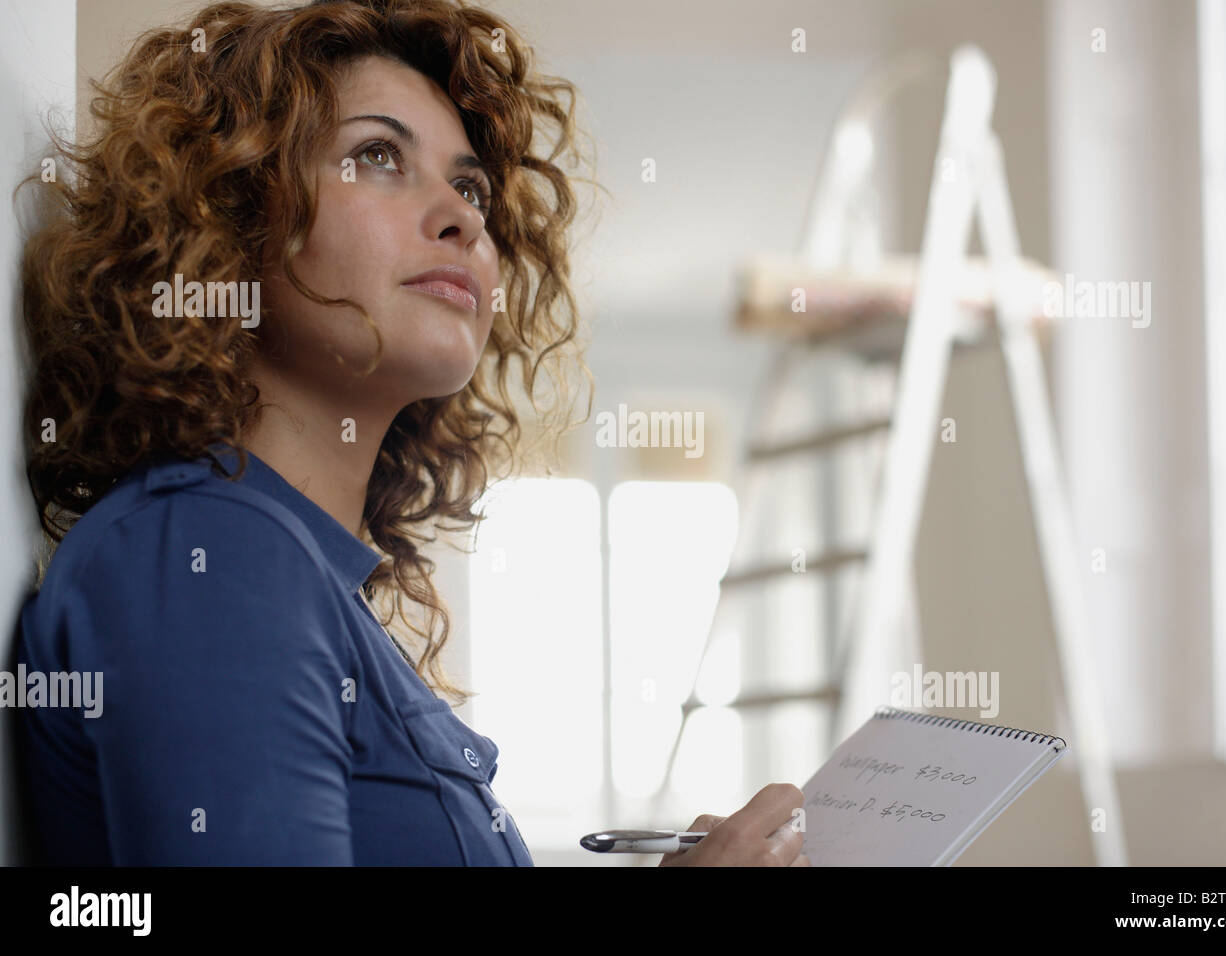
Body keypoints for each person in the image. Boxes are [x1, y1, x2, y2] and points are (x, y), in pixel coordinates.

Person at [13, 0, 808, 866]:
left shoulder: (285, 571)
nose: (463, 217)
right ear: (232, 223)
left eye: (469, 186)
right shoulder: (210, 548)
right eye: (378, 156)